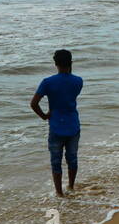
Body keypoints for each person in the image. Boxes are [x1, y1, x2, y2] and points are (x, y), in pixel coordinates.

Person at [31, 49, 83, 197]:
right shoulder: (78, 81)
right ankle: (71, 186)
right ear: (71, 63)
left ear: (55, 64)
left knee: (56, 161)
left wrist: (44, 116)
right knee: (72, 158)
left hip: (56, 125)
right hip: (73, 124)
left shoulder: (47, 82)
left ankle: (59, 193)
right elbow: (69, 92)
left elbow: (33, 103)